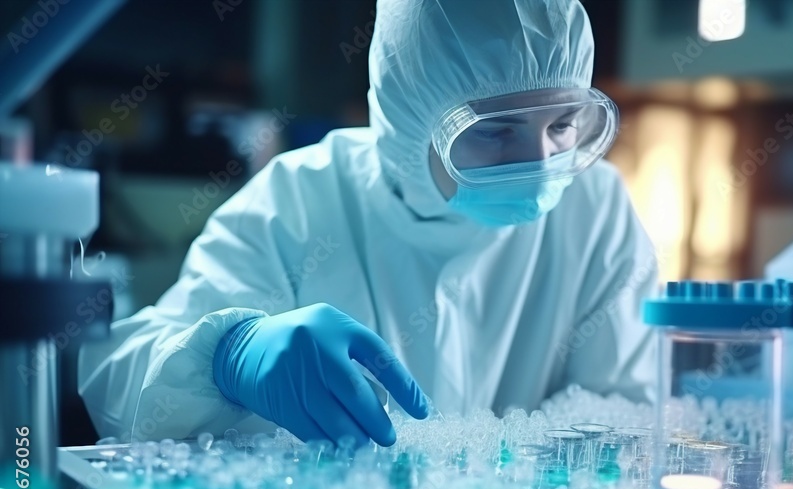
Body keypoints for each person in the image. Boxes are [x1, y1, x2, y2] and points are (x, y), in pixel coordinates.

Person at [78, 0, 658, 449]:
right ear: (413, 115)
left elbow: (629, 407)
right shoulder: (300, 199)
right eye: (494, 131)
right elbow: (124, 387)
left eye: (562, 124)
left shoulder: (596, 209)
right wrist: (228, 356)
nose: (539, 163)